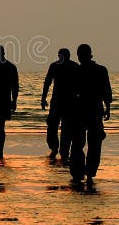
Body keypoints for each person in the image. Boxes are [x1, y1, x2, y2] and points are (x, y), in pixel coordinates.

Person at [69, 44, 112, 186]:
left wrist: (107, 106)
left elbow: (71, 93)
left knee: (80, 143)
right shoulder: (100, 70)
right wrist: (108, 107)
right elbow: (107, 91)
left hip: (82, 109)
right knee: (92, 143)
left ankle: (80, 172)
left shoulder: (77, 71)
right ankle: (88, 172)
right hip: (91, 109)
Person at [41, 48, 79, 160]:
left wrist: (43, 98)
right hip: (60, 101)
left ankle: (62, 151)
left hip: (67, 101)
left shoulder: (72, 66)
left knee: (63, 127)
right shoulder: (56, 66)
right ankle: (57, 149)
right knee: (55, 125)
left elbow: (80, 84)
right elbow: (47, 82)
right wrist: (43, 98)